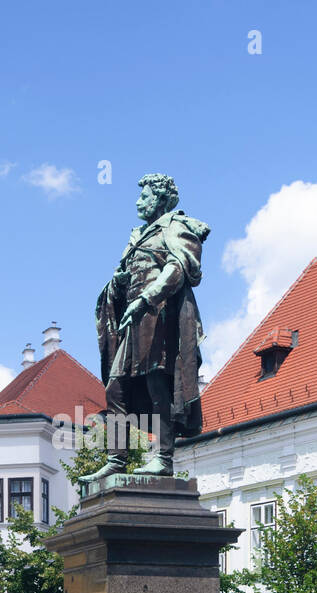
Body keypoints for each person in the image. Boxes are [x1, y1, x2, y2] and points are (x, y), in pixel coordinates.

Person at [84, 173, 207, 481]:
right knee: (116, 386)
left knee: (157, 385)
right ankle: (116, 458)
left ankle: (164, 457)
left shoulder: (178, 228)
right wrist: (118, 284)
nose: (139, 202)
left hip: (159, 316)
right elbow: (123, 277)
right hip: (132, 319)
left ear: (161, 199)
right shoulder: (137, 235)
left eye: (145, 196)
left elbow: (178, 268)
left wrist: (147, 299)